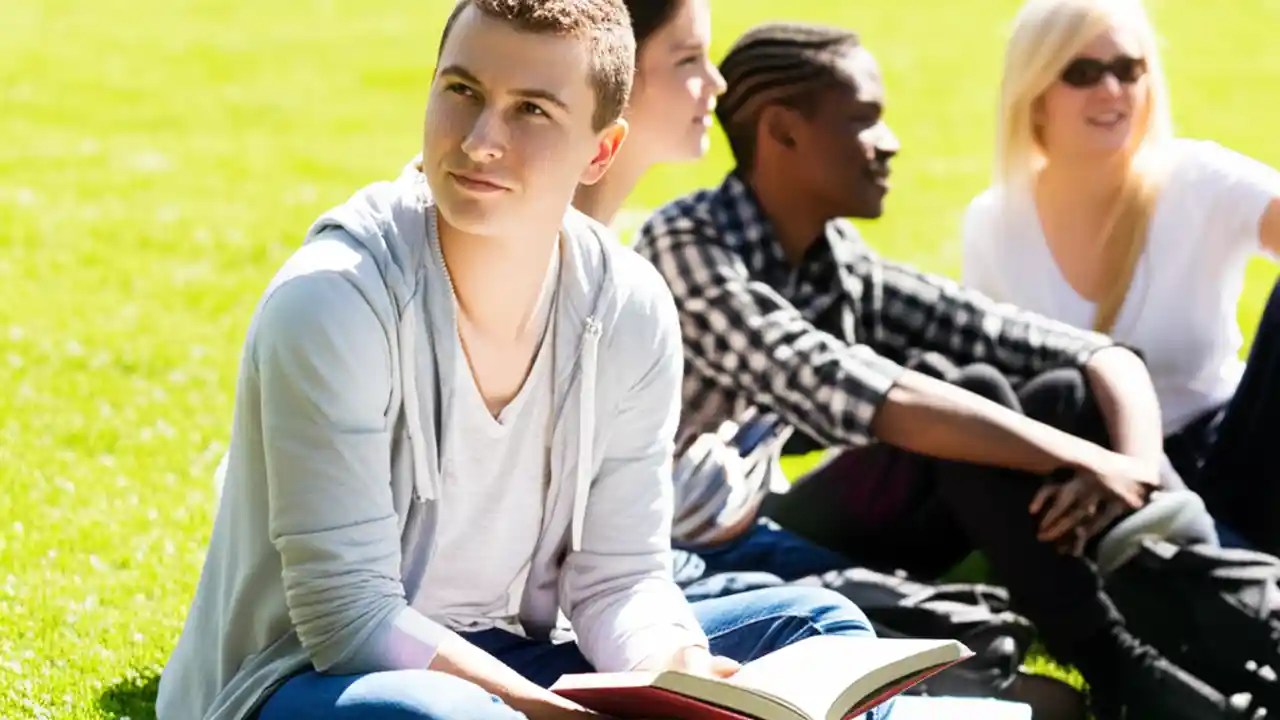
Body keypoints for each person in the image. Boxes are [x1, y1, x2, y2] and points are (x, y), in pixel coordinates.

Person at [155, 3, 900, 719]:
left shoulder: (630, 307)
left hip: (520, 651)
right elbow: (346, 617)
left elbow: (618, 577)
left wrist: (675, 673)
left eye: (532, 110)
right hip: (315, 677)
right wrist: (538, 709)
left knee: (822, 629)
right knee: (445, 716)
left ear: (600, 151)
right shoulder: (332, 300)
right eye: (462, 91)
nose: (481, 140)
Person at [633, 21, 1260, 720]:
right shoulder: (689, 247)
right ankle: (1136, 661)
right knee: (966, 405)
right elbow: (852, 388)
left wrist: (1133, 464)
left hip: (772, 529)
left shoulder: (837, 260)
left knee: (1057, 394)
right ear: (783, 133)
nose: (890, 142)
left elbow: (1079, 350)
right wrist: (1083, 457)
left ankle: (1196, 638)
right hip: (694, 554)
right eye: (864, 120)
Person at [962, 0, 1280, 554]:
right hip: (1099, 481)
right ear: (1035, 95)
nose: (1111, 90)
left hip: (1232, 453)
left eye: (1129, 69)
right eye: (1082, 73)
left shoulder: (1200, 181)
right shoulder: (993, 223)